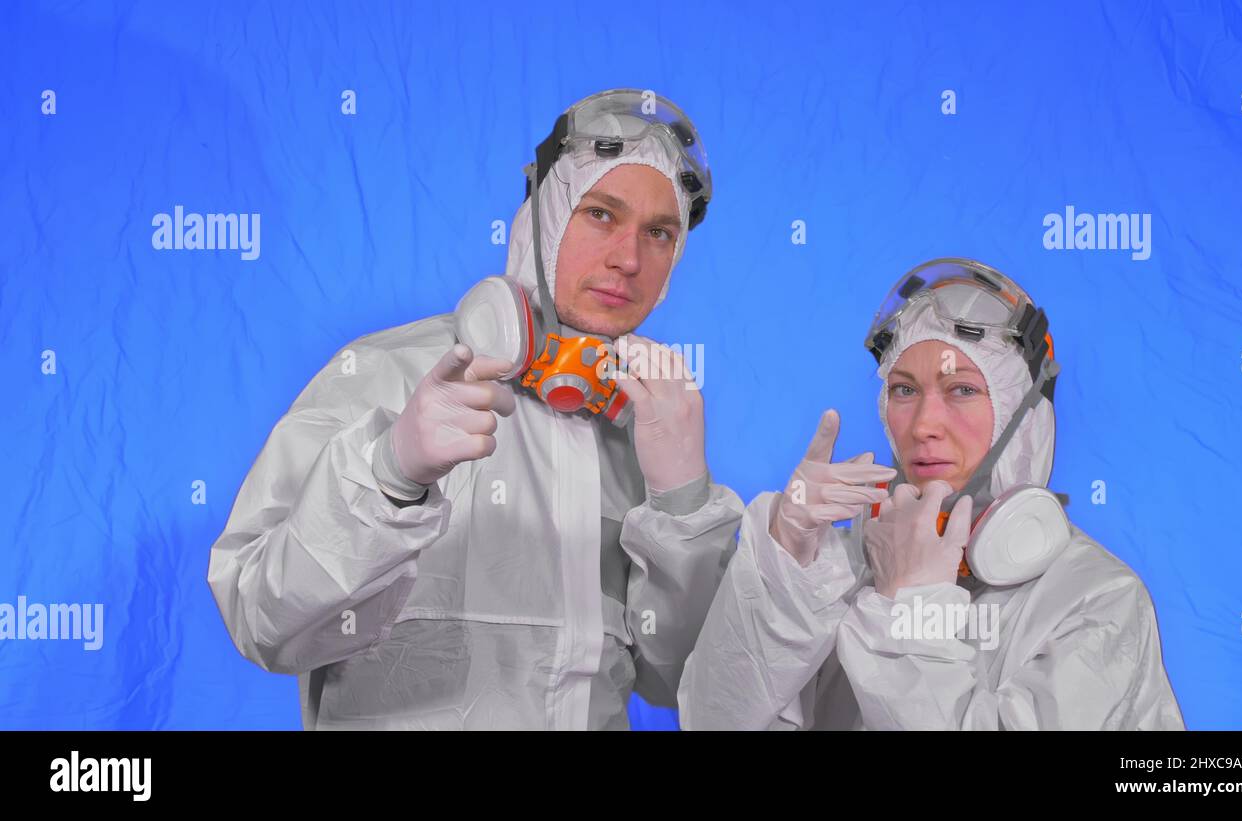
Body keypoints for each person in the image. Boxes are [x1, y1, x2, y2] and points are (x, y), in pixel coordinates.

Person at [208, 89, 743, 730]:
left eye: (658, 233)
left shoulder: (644, 425)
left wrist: (683, 506)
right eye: (601, 213)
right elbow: (259, 620)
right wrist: (389, 477)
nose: (628, 259)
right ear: (542, 216)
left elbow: (679, 684)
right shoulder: (384, 373)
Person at [679, 258, 1185, 730]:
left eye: (962, 389)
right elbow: (715, 721)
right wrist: (783, 568)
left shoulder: (1097, 600)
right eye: (904, 390)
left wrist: (909, 613)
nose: (923, 425)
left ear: (1022, 417)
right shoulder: (846, 570)